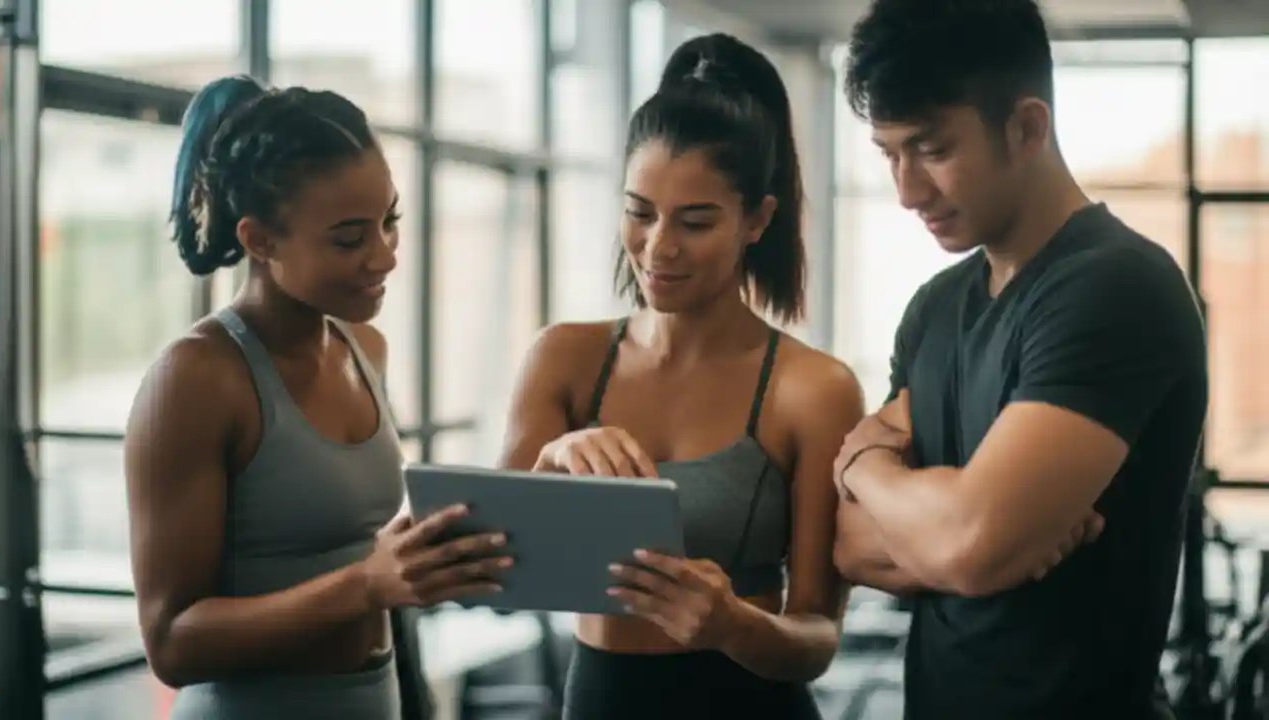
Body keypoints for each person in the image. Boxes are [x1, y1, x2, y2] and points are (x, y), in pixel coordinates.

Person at [830, 1, 1208, 718]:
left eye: (933, 149)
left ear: (1028, 128)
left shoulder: (1116, 287)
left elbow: (972, 542)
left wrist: (862, 466)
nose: (907, 190)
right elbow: (850, 546)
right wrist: (965, 537)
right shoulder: (933, 309)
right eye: (889, 154)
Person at [124, 76, 512, 720]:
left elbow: (352, 548)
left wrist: (428, 560)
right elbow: (171, 642)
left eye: (390, 221)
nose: (384, 256)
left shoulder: (365, 348)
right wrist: (365, 585)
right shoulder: (196, 379)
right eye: (349, 238)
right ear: (260, 241)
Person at [498, 33, 862, 719]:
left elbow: (816, 636)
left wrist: (732, 623)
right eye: (639, 212)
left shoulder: (812, 390)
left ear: (757, 219)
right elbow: (496, 570)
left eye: (695, 222)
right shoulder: (564, 359)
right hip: (602, 699)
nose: (658, 246)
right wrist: (553, 458)